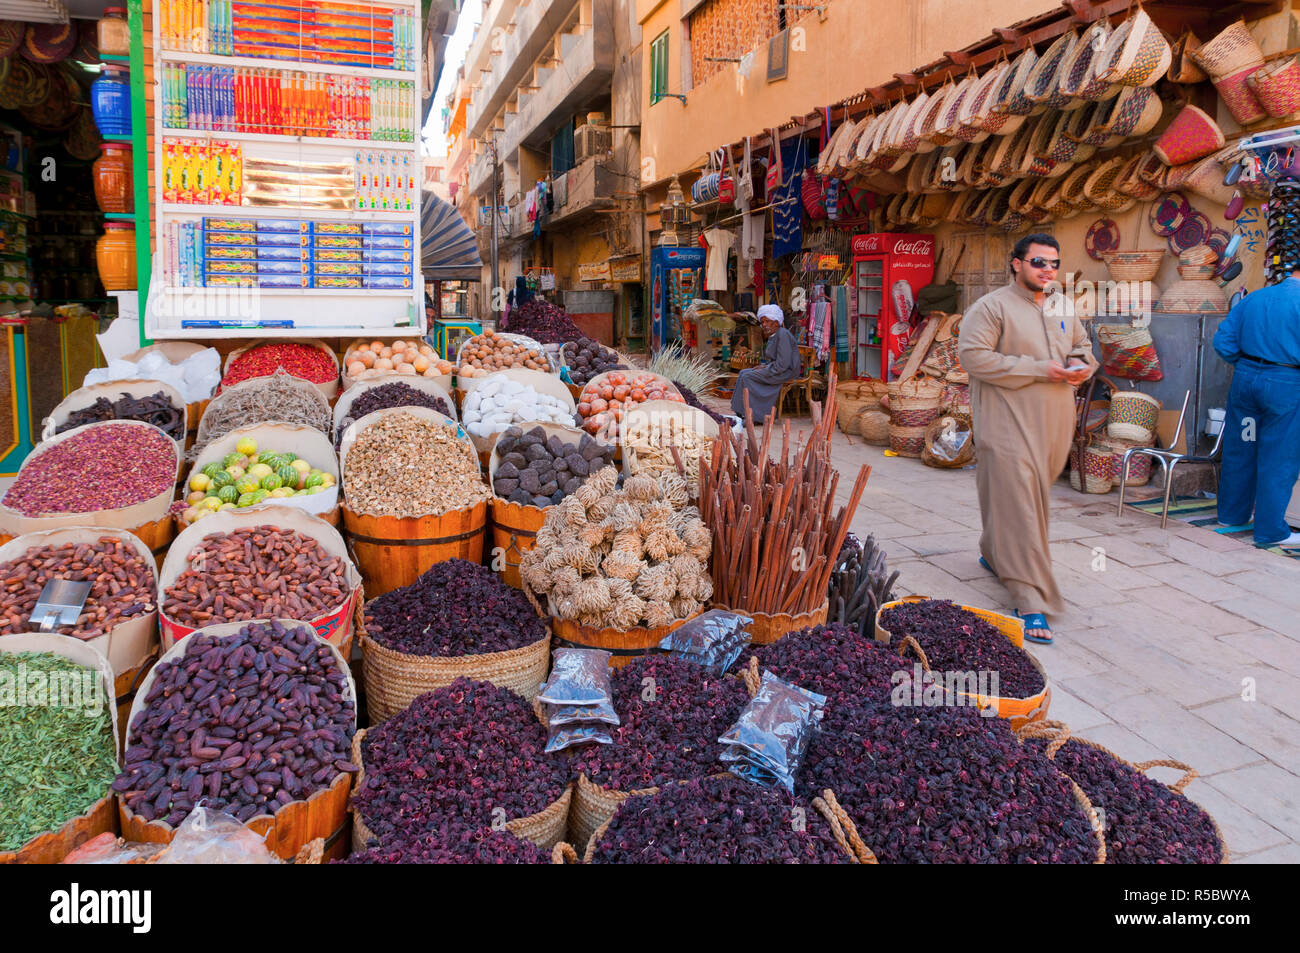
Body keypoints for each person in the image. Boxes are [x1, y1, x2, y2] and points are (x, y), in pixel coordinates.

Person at [957, 234, 1097, 643]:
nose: (1047, 270)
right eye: (1038, 262)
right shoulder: (991, 307)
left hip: (1053, 423)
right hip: (1005, 421)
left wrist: (1079, 365)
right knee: (1019, 502)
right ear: (1016, 264)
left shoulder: (1062, 306)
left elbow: (1084, 347)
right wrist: (1040, 369)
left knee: (1023, 496)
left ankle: (995, 551)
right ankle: (1028, 597)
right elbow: (974, 357)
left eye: (1053, 263)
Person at [1212, 273, 1300, 547]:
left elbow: (1222, 342)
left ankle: (1231, 515)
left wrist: (1251, 366)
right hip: (1286, 384)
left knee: (1242, 447)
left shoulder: (1256, 298)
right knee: (1279, 457)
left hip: (1246, 379)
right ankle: (1271, 531)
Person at [731, 304, 801, 423]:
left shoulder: (783, 334)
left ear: (776, 322)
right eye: (762, 322)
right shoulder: (773, 336)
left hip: (786, 371)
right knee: (743, 372)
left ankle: (756, 416)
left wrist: (767, 370)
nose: (764, 325)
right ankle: (741, 411)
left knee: (748, 376)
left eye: (767, 321)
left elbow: (783, 364)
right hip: (778, 368)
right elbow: (776, 360)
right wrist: (765, 367)